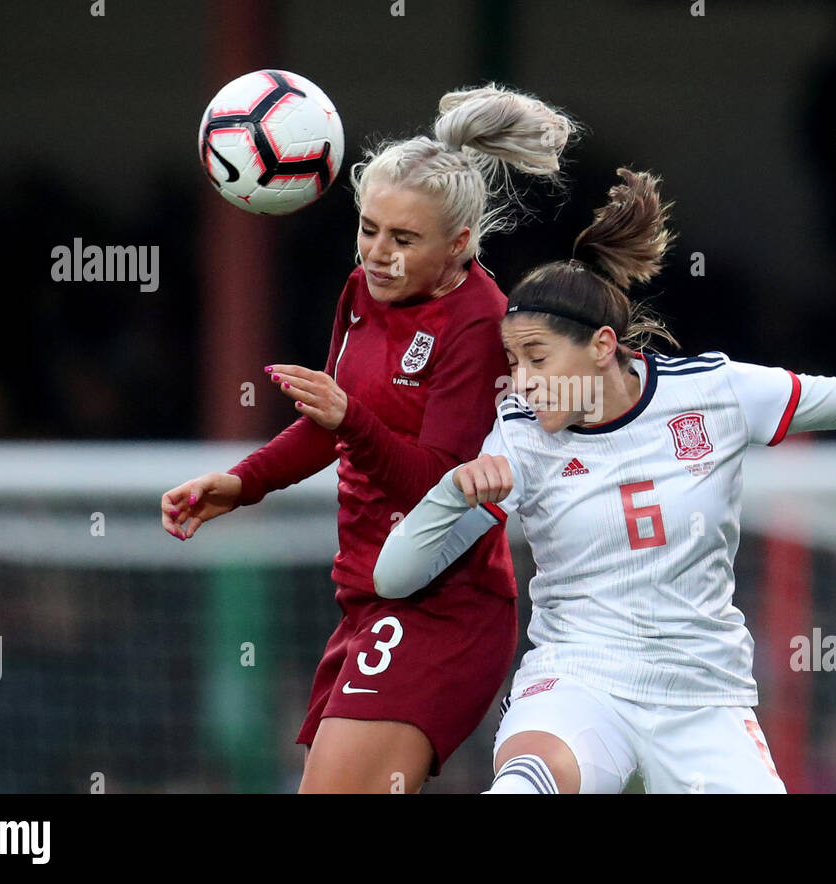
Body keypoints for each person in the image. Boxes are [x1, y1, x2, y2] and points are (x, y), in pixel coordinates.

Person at [373, 168, 836, 794]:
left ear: (603, 346)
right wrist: (452, 495)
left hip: (702, 695)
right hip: (579, 681)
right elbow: (395, 575)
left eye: (537, 359)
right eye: (512, 363)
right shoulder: (515, 441)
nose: (521, 382)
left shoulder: (716, 393)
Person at [160, 85, 576, 793]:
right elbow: (331, 422)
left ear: (460, 244)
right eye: (369, 229)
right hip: (365, 597)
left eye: (403, 239)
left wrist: (350, 417)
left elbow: (439, 489)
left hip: (443, 604)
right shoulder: (362, 291)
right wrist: (244, 482)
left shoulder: (479, 325)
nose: (378, 254)